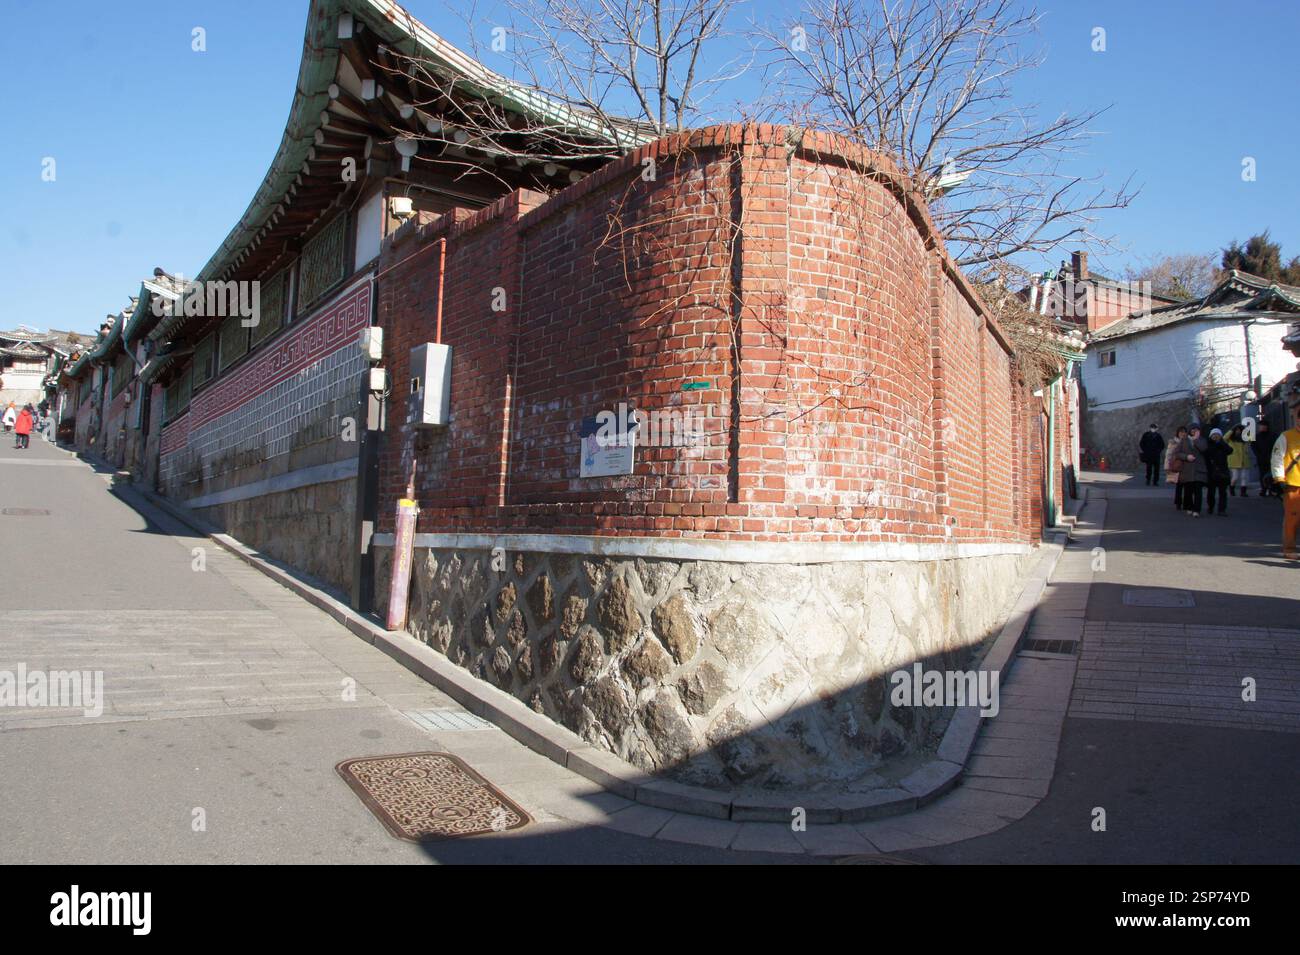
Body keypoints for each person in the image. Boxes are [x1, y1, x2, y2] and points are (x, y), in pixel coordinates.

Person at [1270, 405, 1300, 559]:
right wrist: (1279, 478)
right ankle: (1290, 549)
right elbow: (1277, 459)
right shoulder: (1286, 436)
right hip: (1293, 484)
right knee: (1292, 518)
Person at [1175, 424, 1208, 517]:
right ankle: (1189, 507)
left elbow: (1204, 449)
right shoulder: (1184, 440)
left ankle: (1197, 510)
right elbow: (1177, 453)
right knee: (1188, 490)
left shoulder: (1202, 440)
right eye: (1192, 429)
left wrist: (1196, 439)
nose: (1194, 430)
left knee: (1198, 490)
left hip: (1199, 469)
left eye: (1196, 429)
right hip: (1187, 469)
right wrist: (1186, 457)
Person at [1203, 427, 1232, 515]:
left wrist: (1222, 443)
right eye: (1214, 435)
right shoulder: (1207, 445)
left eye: (1218, 435)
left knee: (1223, 492)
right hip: (1211, 471)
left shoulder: (1223, 445)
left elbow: (1230, 451)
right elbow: (1205, 455)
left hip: (1223, 471)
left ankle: (1221, 509)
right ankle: (1210, 507)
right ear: (1211, 436)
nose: (1216, 436)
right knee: (1211, 492)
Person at [1254, 418, 1279, 498]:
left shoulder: (1273, 435)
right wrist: (1258, 455)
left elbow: (1277, 446)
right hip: (1261, 459)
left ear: (1267, 426)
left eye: (1262, 426)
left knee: (1272, 474)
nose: (1261, 427)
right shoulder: (1257, 436)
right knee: (1262, 474)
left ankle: (1272, 489)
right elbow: (1253, 447)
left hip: (1272, 458)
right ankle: (1263, 489)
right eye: (1260, 426)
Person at [1166, 426, 1188, 510]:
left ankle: (1186, 503)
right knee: (1179, 485)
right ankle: (1178, 503)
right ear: (1178, 433)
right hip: (1177, 465)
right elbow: (1168, 455)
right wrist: (1167, 467)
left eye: (1184, 432)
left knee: (1187, 486)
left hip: (1187, 466)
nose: (1182, 433)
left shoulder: (1189, 441)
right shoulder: (1173, 442)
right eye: (1181, 432)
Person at [1226, 424, 1251, 496]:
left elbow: (1250, 438)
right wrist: (1231, 430)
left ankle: (1243, 492)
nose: (1238, 431)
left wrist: (1246, 430)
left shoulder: (1245, 439)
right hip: (1234, 460)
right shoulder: (1230, 439)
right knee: (1235, 476)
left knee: (1244, 477)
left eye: (1240, 430)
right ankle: (1232, 489)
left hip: (1244, 460)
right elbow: (1224, 438)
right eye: (1236, 430)